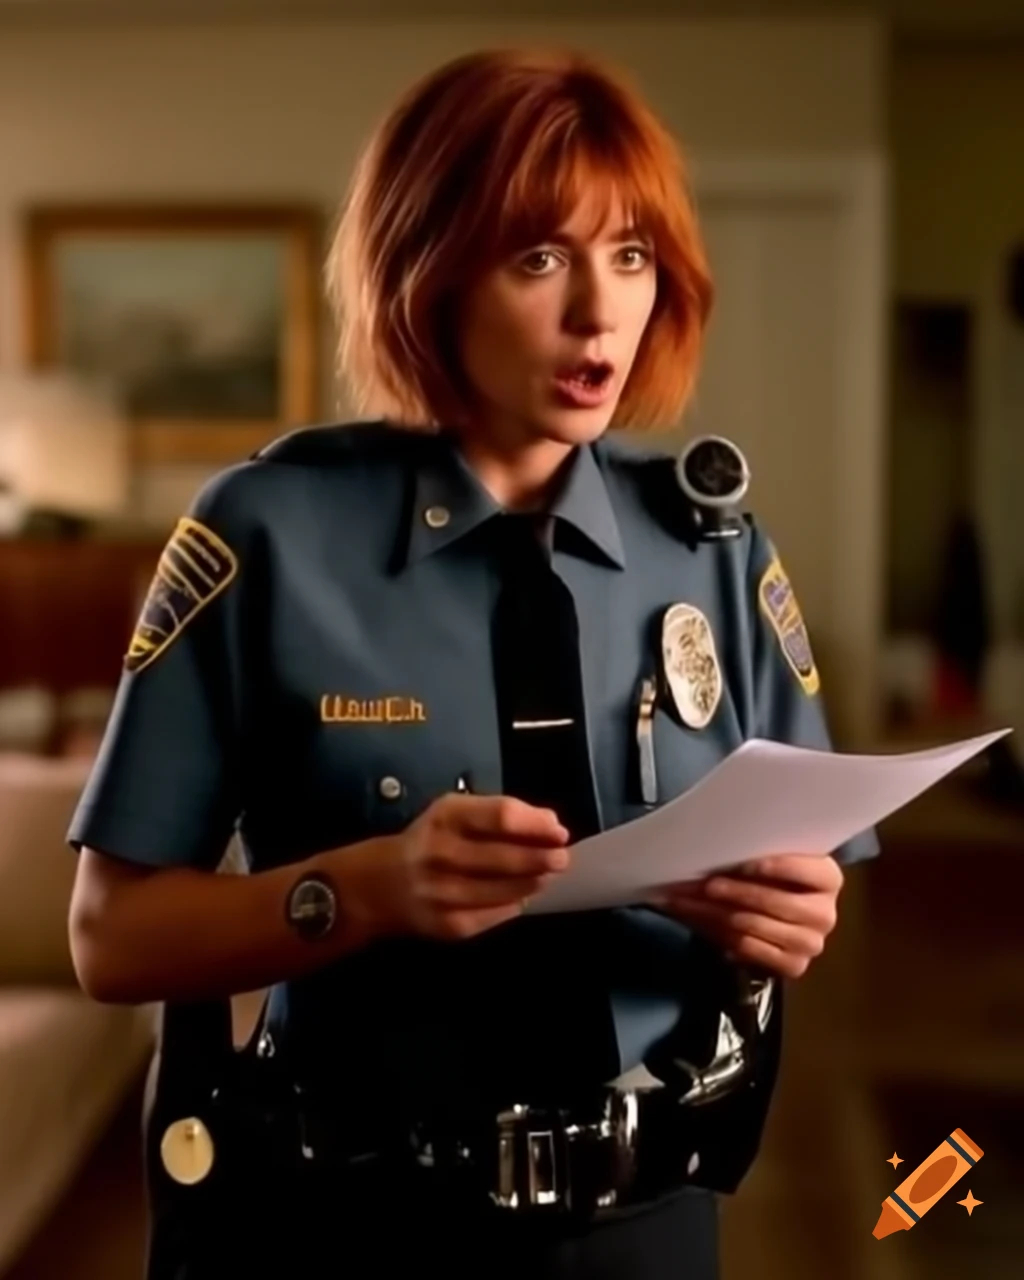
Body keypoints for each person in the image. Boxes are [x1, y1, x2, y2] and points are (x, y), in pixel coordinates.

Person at [66, 47, 878, 1280]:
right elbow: (110, 939)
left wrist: (789, 905)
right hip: (346, 1223)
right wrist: (374, 888)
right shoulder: (266, 530)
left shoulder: (711, 545)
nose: (598, 312)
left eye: (631, 257)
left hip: (651, 1216)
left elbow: (811, 861)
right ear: (429, 273)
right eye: (539, 258)